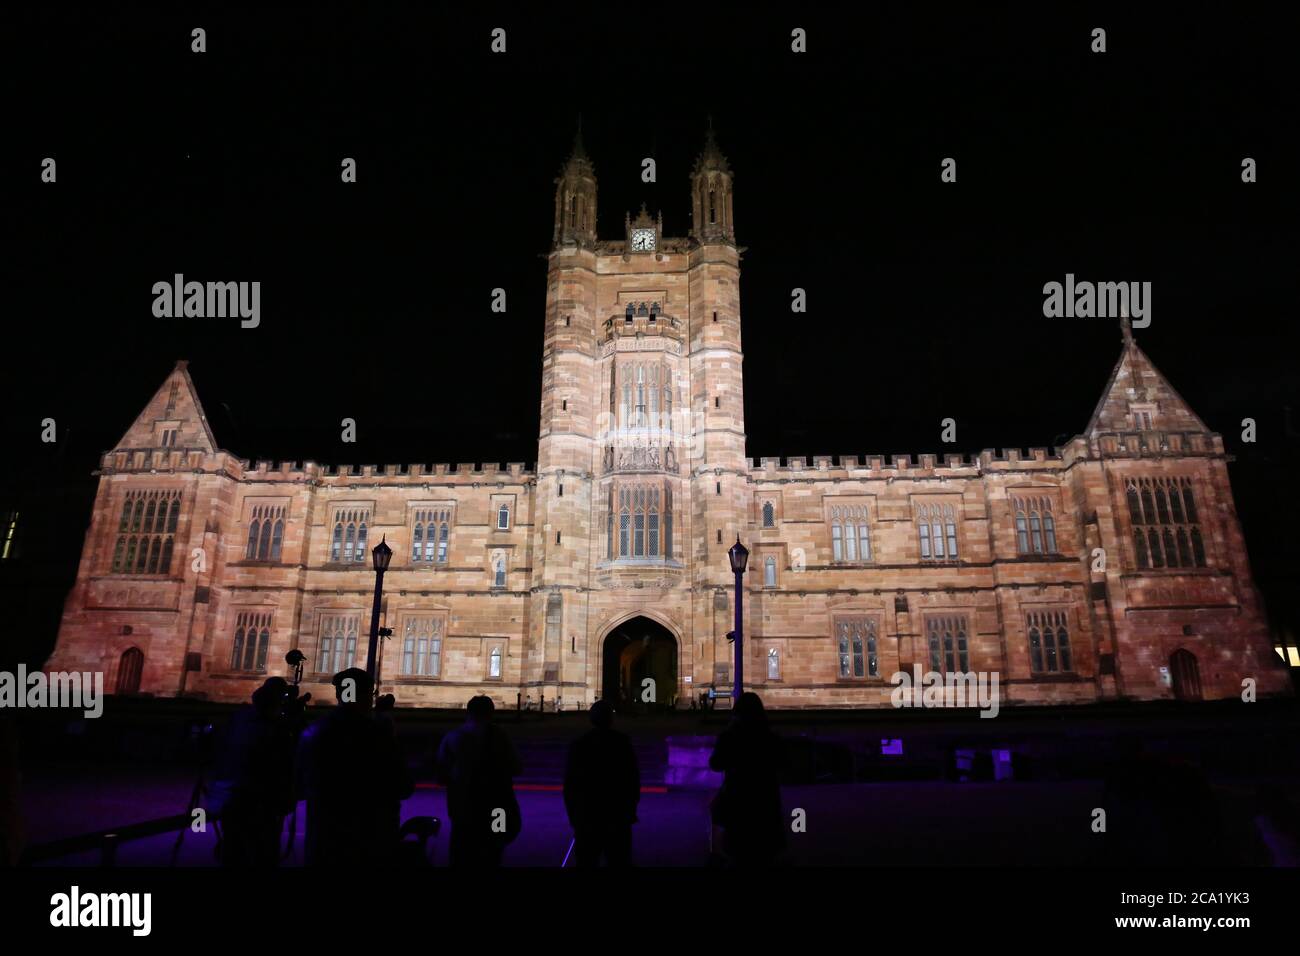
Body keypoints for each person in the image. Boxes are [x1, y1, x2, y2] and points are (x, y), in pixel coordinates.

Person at [296, 668, 414, 866]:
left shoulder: (313, 731)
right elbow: (403, 786)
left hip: (325, 836)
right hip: (368, 837)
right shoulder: (378, 736)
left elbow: (299, 782)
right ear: (367, 695)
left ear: (338, 694)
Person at [210, 677, 297, 866]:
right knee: (263, 850)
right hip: (262, 800)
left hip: (233, 796)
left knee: (234, 848)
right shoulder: (275, 728)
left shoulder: (239, 719)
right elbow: (285, 763)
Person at [436, 695, 521, 867]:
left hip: (464, 807)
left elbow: (441, 775)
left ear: (468, 712)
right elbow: (516, 767)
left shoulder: (453, 737)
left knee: (462, 852)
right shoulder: (500, 736)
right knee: (495, 849)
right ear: (491, 713)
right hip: (499, 806)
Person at [708, 692, 787, 866]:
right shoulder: (770, 736)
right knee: (764, 853)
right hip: (765, 801)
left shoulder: (730, 736)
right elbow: (783, 763)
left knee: (739, 851)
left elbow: (715, 763)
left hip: (739, 799)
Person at [563, 700, 640, 866]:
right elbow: (632, 780)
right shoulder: (622, 743)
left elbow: (570, 785)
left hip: (587, 817)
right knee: (619, 861)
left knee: (587, 862)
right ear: (611, 719)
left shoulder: (579, 745)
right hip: (617, 816)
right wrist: (630, 810)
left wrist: (574, 817)